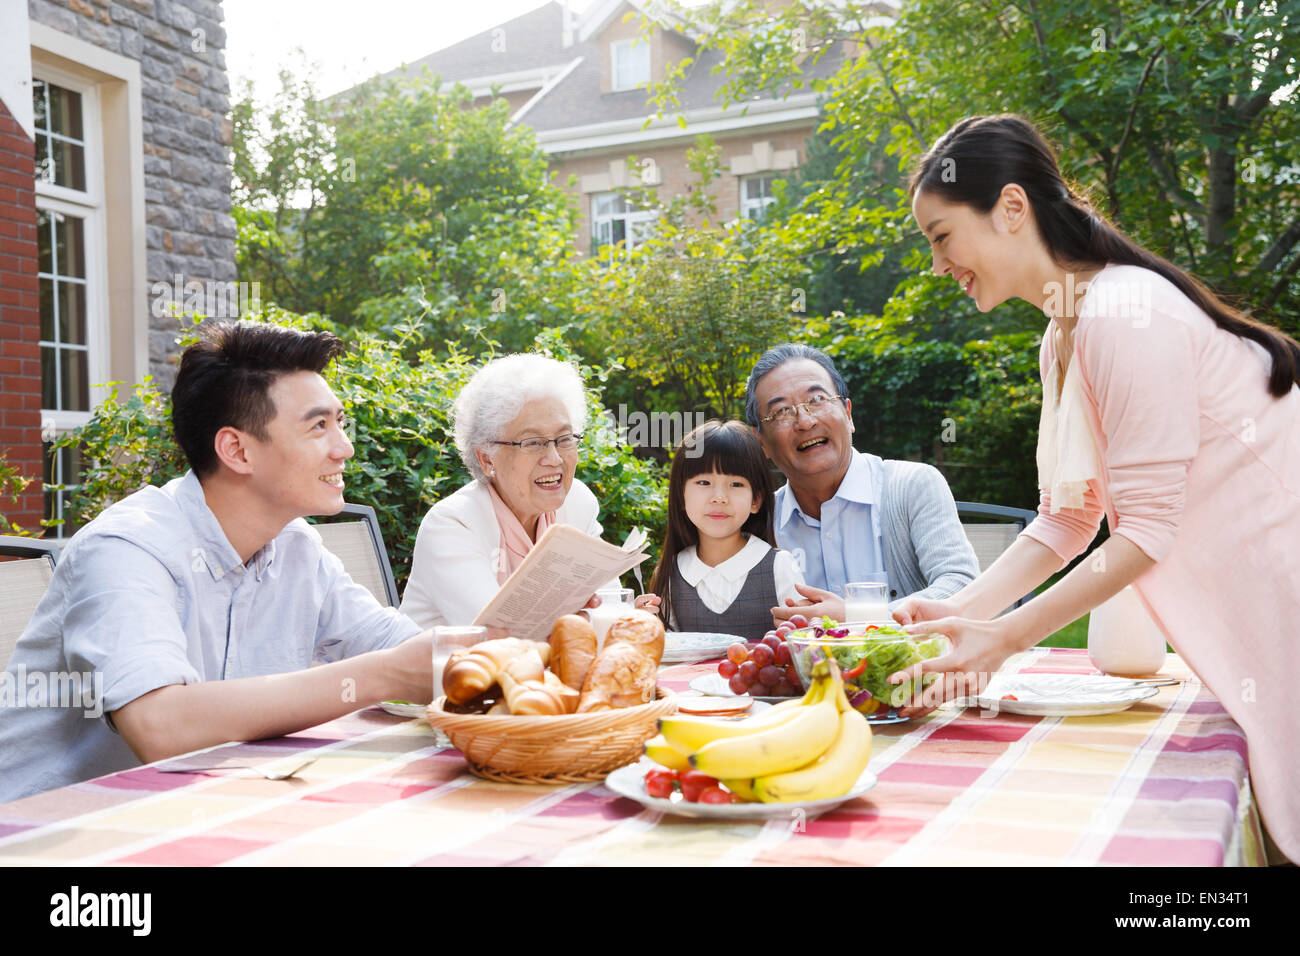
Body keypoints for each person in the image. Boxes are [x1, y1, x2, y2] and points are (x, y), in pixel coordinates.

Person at [898, 113, 1300, 864]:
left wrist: (1009, 639)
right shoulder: (1066, 331)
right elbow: (1069, 517)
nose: (936, 264)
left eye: (941, 235)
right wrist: (961, 614)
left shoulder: (1124, 312)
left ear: (1011, 209)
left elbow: (1146, 529)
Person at [0, 322, 431, 803]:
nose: (344, 448)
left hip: (207, 809)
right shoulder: (125, 549)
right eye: (318, 426)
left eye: (339, 422)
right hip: (46, 834)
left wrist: (494, 653)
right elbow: (161, 726)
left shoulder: (296, 546)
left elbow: (403, 649)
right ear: (237, 450)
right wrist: (381, 675)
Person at [401, 354, 658, 629]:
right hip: (451, 671)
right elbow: (497, 637)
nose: (555, 458)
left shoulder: (577, 503)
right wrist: (586, 621)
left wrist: (626, 615)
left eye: (565, 439)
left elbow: (608, 608)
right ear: (488, 458)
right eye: (533, 442)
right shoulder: (452, 525)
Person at [744, 343, 979, 624]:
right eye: (781, 412)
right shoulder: (758, 521)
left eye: (817, 399)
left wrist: (856, 616)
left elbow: (962, 587)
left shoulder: (912, 486)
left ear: (848, 414)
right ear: (763, 444)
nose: (805, 422)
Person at [649, 420, 804, 639]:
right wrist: (646, 624)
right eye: (704, 483)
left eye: (736, 484)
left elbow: (803, 643)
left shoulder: (779, 567)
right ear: (681, 495)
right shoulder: (670, 574)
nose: (719, 497)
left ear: (756, 500)